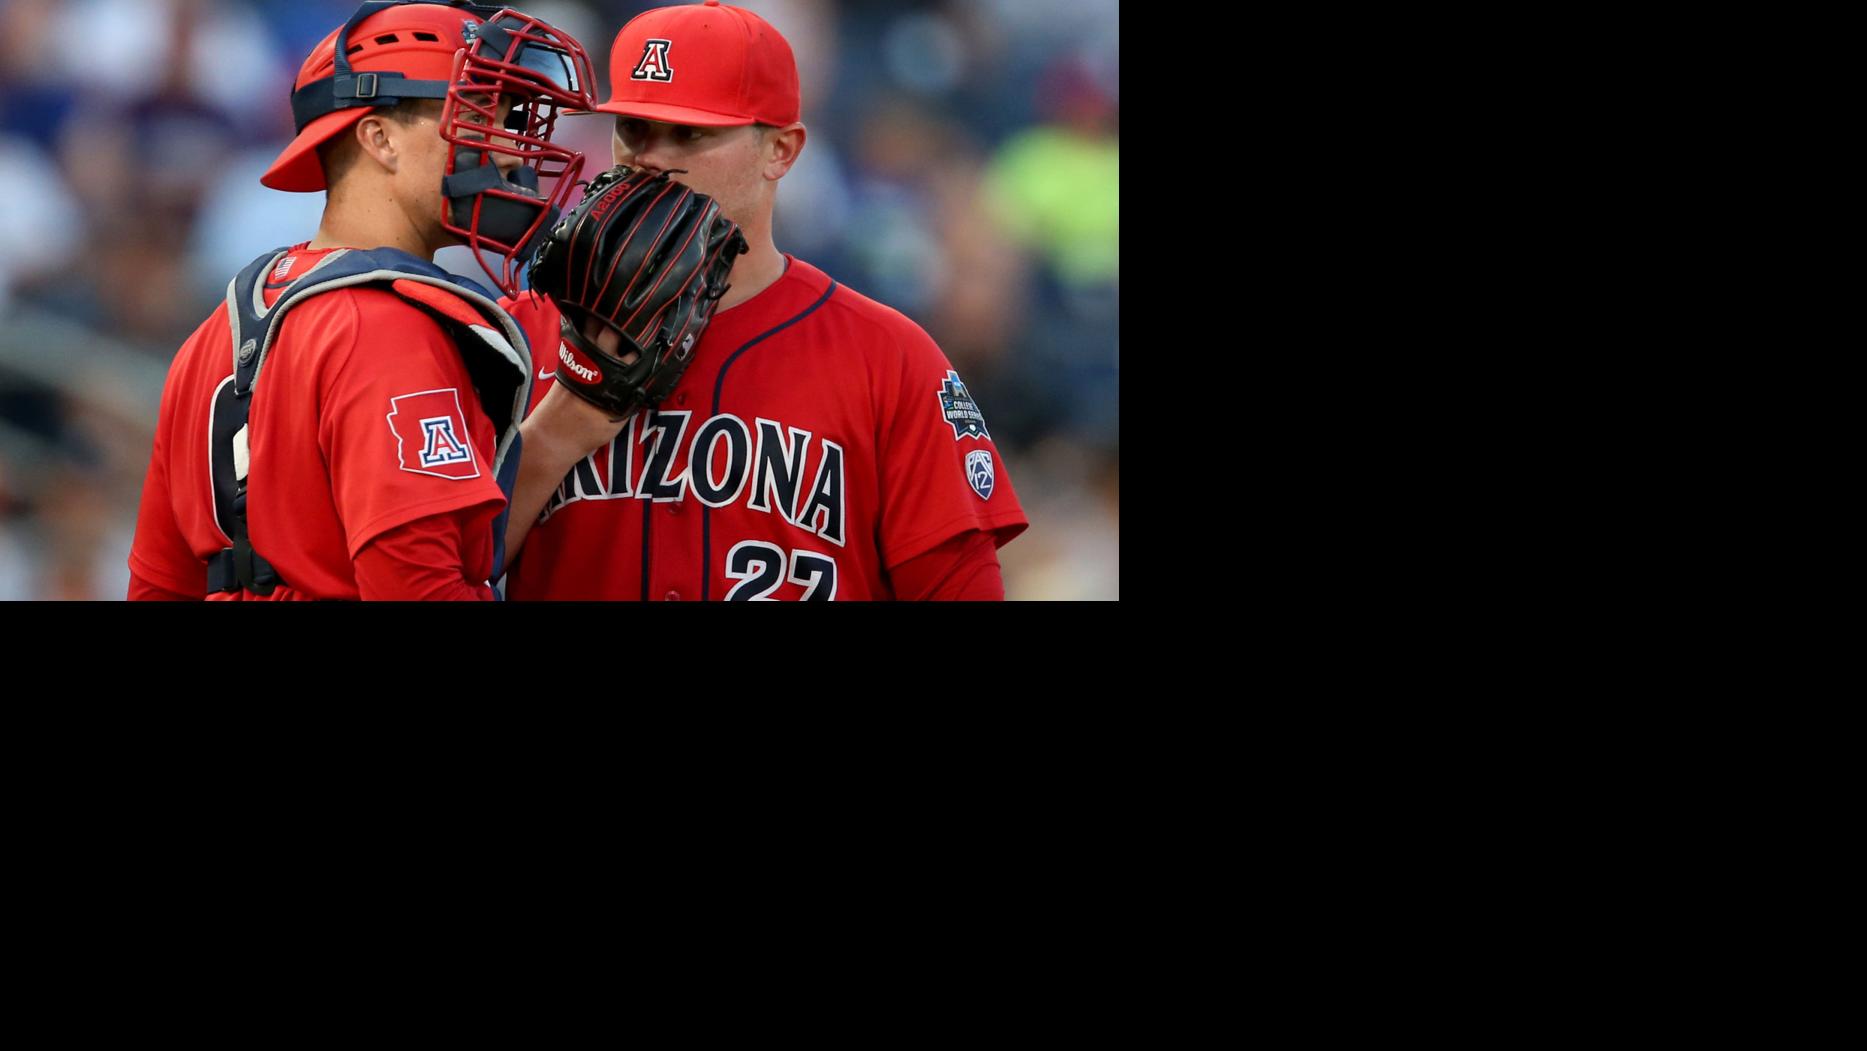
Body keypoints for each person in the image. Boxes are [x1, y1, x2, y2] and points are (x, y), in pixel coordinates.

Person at [501, 0, 1028, 601]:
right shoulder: (521, 334)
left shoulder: (888, 358)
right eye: (634, 129)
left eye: (689, 133)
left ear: (781, 150)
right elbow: (439, 571)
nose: (652, 158)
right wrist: (556, 431)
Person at [126, 0, 623, 600]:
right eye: (477, 118)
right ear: (380, 138)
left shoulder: (218, 330)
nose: (511, 153)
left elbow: (156, 585)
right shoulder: (390, 327)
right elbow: (419, 590)